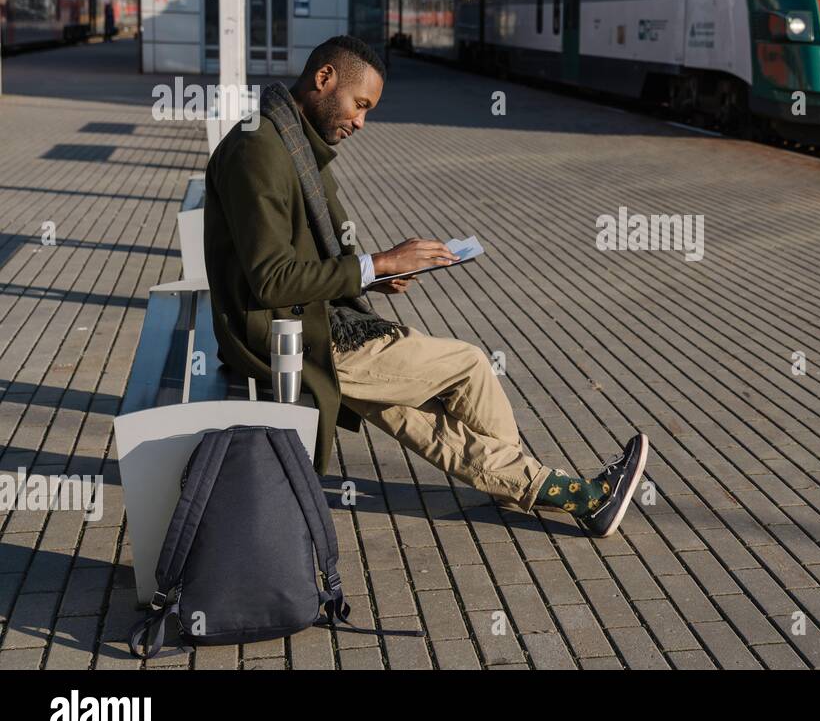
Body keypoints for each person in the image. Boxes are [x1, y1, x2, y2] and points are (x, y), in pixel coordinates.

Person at [203, 35, 648, 537]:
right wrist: (374, 265)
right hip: (285, 336)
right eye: (360, 104)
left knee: (417, 415)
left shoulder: (286, 141)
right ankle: (554, 490)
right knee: (469, 364)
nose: (361, 121)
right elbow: (271, 279)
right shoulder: (258, 149)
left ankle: (556, 492)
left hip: (304, 322)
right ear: (324, 79)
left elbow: (304, 261)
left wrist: (379, 274)